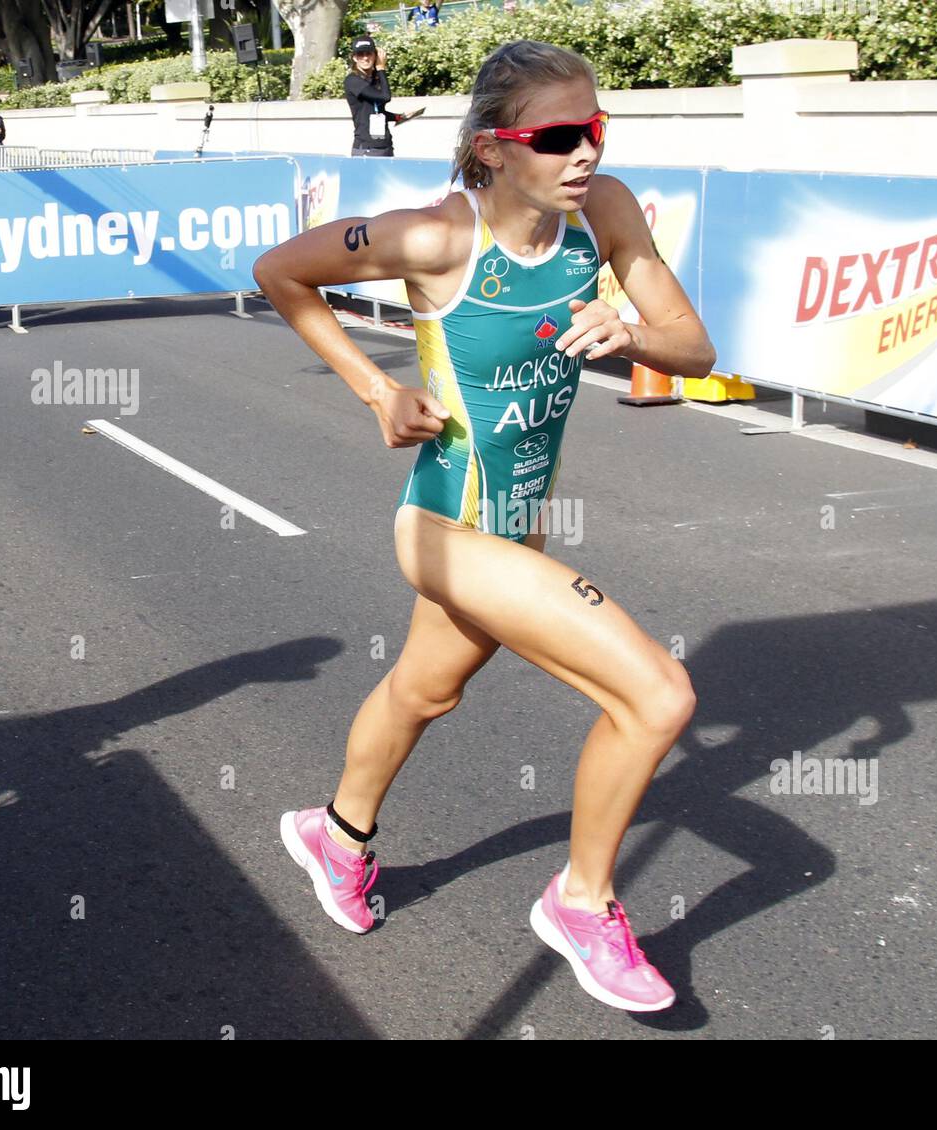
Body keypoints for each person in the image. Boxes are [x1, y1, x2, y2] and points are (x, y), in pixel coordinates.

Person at [255, 40, 715, 1013]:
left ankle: (334, 835)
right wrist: (377, 387)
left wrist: (632, 331)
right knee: (658, 695)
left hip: (517, 530)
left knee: (425, 692)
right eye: (557, 136)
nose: (583, 151)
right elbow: (281, 271)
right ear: (497, 148)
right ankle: (580, 898)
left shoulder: (609, 211)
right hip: (444, 527)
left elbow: (695, 346)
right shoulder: (435, 240)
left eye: (595, 127)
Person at [343, 36, 421, 158]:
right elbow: (385, 97)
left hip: (385, 145)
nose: (365, 58)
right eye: (360, 54)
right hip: (366, 147)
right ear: (354, 57)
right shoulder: (353, 80)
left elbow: (376, 111)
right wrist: (381, 68)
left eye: (369, 53)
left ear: (375, 56)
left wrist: (398, 117)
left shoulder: (374, 79)